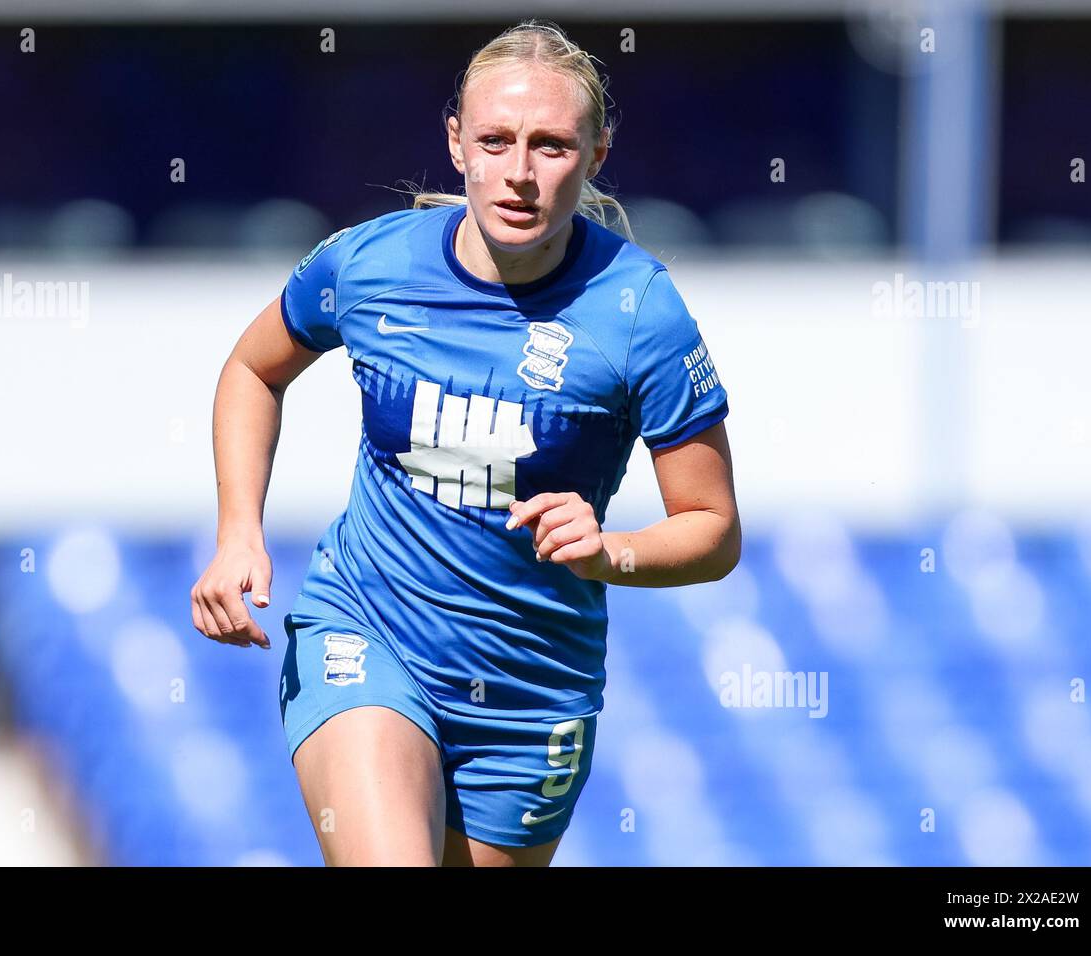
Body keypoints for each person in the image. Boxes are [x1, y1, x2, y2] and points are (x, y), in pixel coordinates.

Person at [191, 19, 740, 867]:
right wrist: (237, 534)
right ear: (457, 145)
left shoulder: (641, 313)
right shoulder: (366, 266)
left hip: (531, 689)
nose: (520, 172)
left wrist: (612, 551)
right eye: (496, 140)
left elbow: (712, 527)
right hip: (368, 631)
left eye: (551, 145)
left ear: (596, 155)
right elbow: (251, 371)